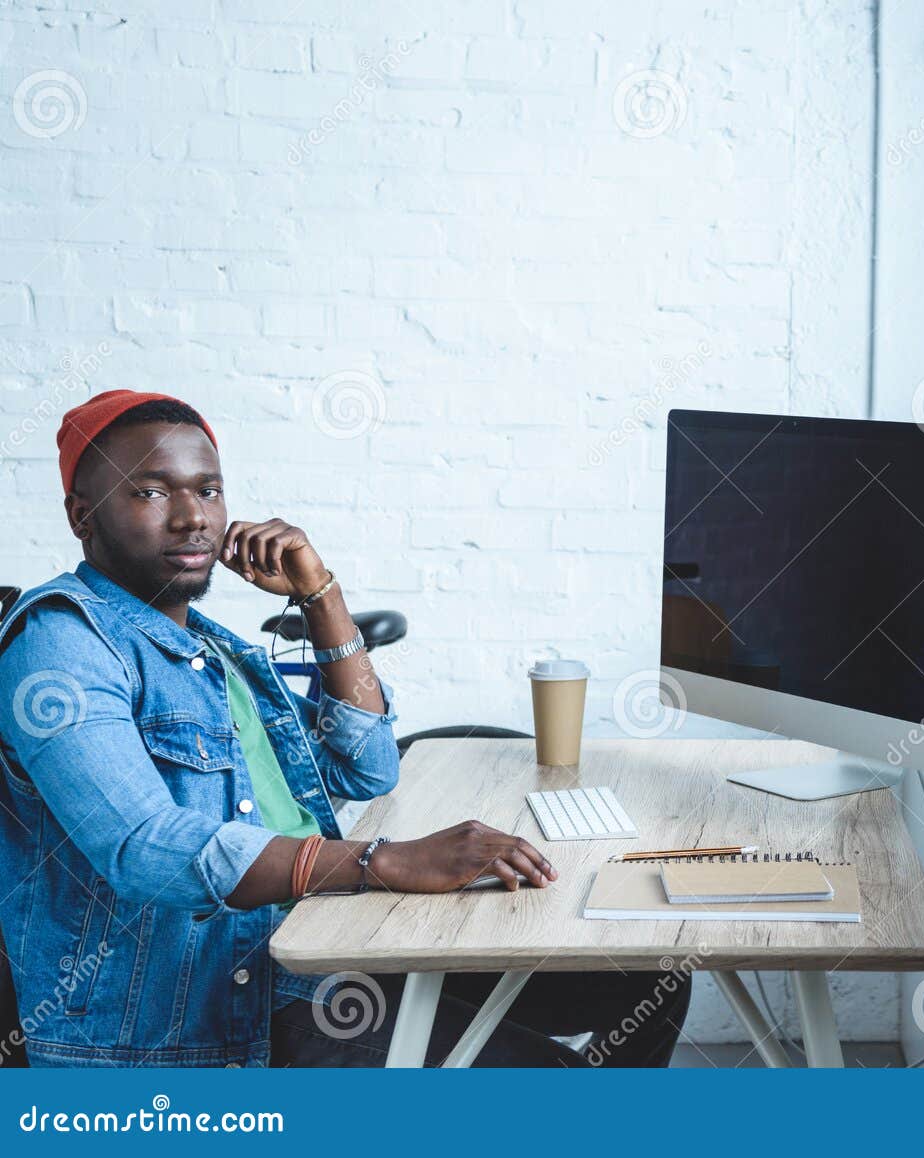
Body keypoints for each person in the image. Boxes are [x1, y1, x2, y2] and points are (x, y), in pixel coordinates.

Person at [0, 391, 688, 1067]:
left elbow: (365, 768)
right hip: (215, 1009)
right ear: (82, 515)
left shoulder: (213, 650)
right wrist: (379, 860)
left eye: (208, 490)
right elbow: (142, 847)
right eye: (150, 492)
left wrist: (320, 592)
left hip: (323, 940)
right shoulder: (59, 643)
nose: (191, 518)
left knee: (652, 977)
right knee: (553, 1085)